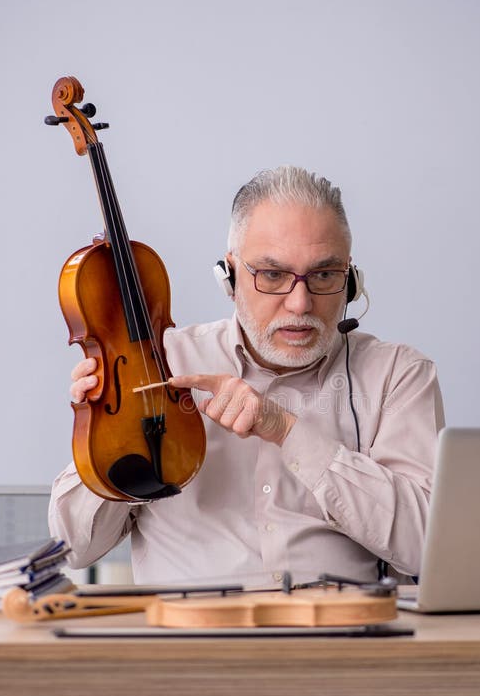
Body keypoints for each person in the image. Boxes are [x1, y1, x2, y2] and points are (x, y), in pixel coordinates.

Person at [49, 166, 445, 587]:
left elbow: (428, 548)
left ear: (351, 280)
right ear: (230, 276)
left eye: (324, 275)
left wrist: (288, 433)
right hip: (194, 644)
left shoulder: (398, 375)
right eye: (273, 275)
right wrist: (105, 440)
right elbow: (73, 549)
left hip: (342, 640)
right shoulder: (159, 364)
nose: (299, 303)